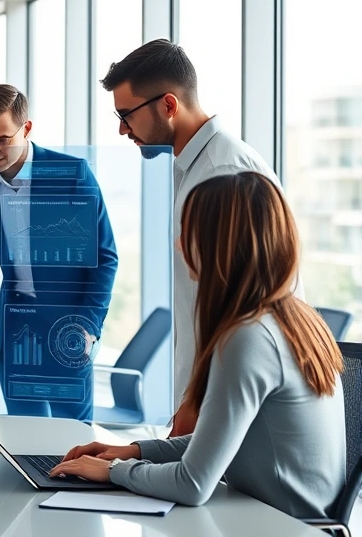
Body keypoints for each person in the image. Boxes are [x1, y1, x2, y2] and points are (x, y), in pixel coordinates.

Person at [51, 172, 345, 518]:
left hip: (279, 525)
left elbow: (193, 483)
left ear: (219, 242)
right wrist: (132, 452)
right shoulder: (292, 318)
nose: (178, 244)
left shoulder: (249, 338)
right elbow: (219, 443)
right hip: (287, 520)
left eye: (188, 232)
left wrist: (113, 472)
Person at [100, 39, 303, 436]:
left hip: (232, 412)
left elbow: (238, 310)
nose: (122, 129)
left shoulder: (223, 173)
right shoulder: (192, 169)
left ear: (169, 105)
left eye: (126, 115)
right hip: (209, 404)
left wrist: (194, 406)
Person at [0, 84, 118, 420]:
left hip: (68, 331)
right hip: (16, 336)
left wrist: (87, 326)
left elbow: (104, 258)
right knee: (24, 441)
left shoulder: (72, 175)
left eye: (2, 139)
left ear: (26, 128)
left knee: (74, 443)